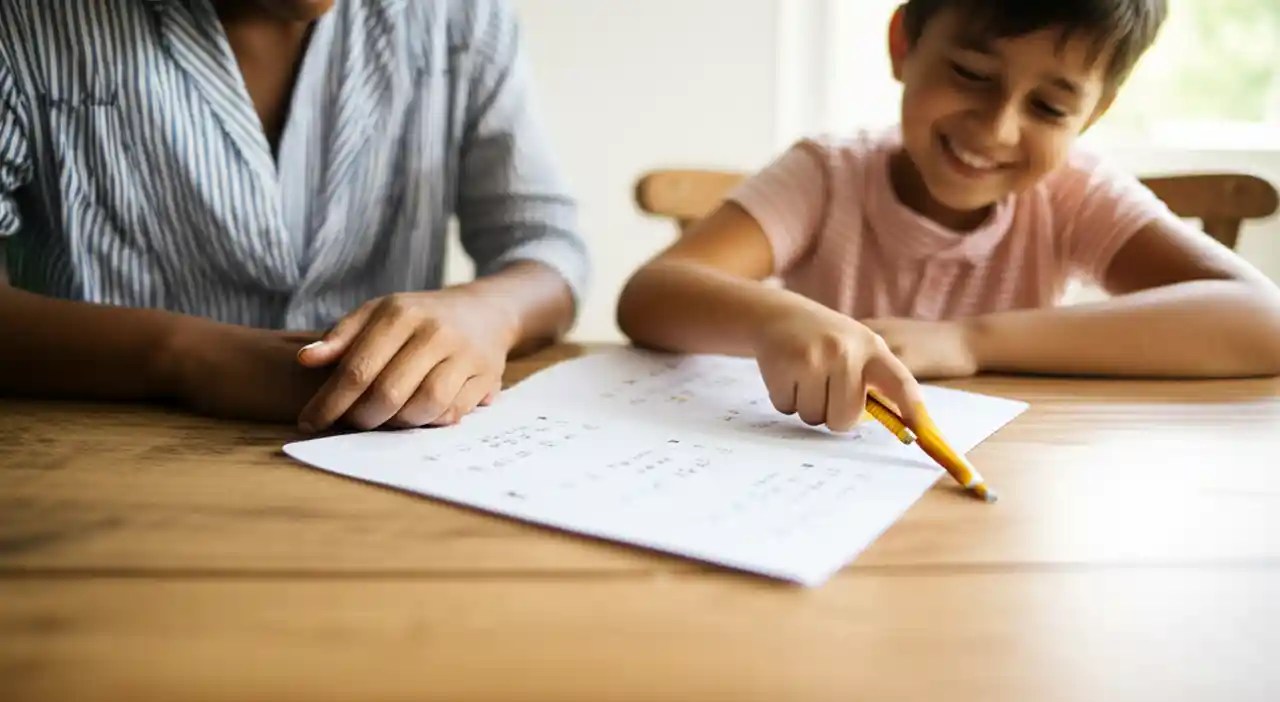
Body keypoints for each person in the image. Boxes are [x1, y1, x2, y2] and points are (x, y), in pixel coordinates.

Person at [617, 0, 1280, 432]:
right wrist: (779, 320)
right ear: (905, 44)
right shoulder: (827, 175)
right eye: (970, 72)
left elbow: (1263, 321)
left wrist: (970, 341)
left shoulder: (1075, 195)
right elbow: (650, 296)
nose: (997, 129)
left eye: (1049, 109)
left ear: (1094, 115)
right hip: (821, 477)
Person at [0, 0, 589, 432]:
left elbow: (547, 245)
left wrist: (489, 312)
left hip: (390, 456)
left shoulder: (457, 17)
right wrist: (190, 356)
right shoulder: (29, 23)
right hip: (93, 449)